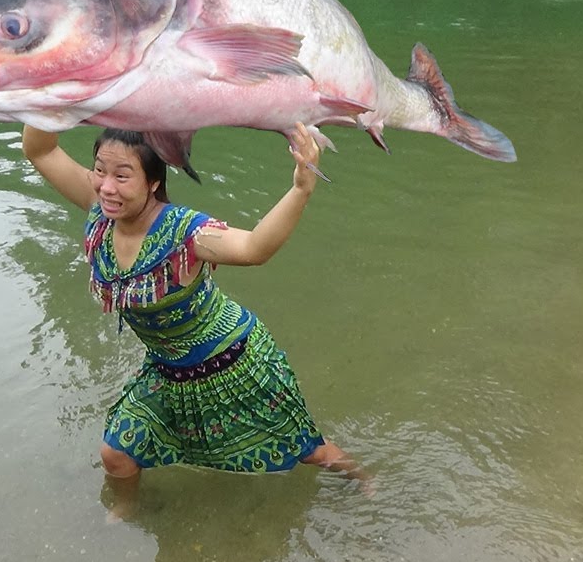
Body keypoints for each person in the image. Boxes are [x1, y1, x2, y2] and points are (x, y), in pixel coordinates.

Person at [22, 123, 364, 514]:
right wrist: (64, 89)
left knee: (308, 450)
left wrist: (302, 187)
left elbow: (254, 248)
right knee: (116, 453)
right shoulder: (102, 209)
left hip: (235, 364)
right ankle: (123, 513)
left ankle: (365, 481)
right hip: (168, 371)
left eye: (122, 175)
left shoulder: (184, 232)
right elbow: (40, 150)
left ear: (153, 182)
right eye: (100, 170)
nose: (106, 186)